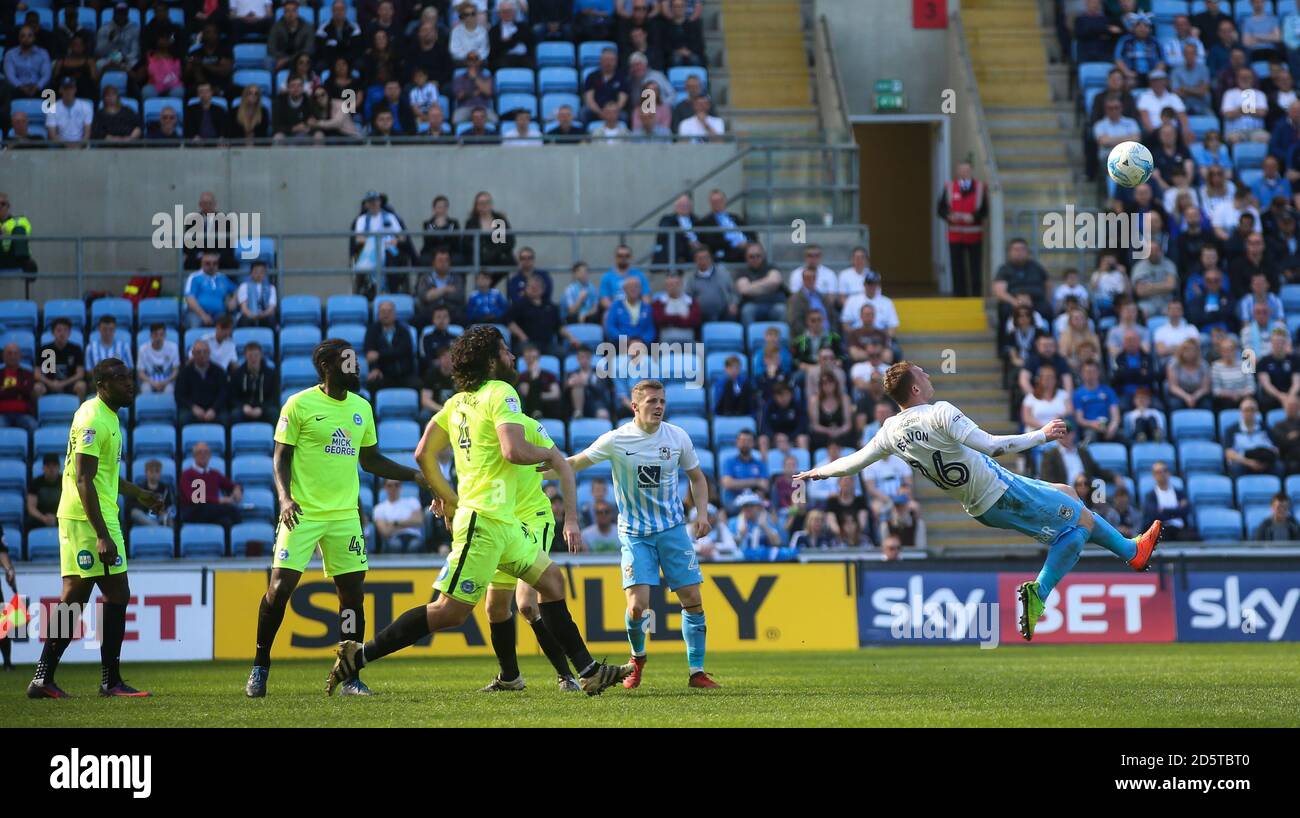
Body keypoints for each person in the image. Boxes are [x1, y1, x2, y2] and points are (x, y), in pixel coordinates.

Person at [329, 327, 631, 696]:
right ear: (491, 361)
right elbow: (513, 450)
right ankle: (359, 657)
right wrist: (550, 456)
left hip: (505, 525)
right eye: (506, 351)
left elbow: (423, 452)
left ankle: (587, 671)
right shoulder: (502, 392)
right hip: (484, 524)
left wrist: (446, 495)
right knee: (448, 613)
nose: (513, 357)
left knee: (552, 582)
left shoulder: (456, 403)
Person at [795, 361, 1162, 641]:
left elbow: (853, 462)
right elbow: (993, 446)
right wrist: (1042, 434)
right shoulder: (941, 412)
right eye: (923, 373)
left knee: (1067, 494)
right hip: (1001, 492)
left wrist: (818, 472)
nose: (928, 375)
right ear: (916, 388)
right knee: (1077, 525)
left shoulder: (891, 430)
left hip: (982, 501)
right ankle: (1046, 590)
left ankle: (1131, 551)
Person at [247, 339, 431, 698]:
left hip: (345, 516)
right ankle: (260, 665)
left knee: (352, 596)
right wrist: (284, 498)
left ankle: (350, 677)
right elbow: (281, 457)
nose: (356, 367)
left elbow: (370, 459)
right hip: (302, 512)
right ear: (328, 366)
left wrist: (413, 476)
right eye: (349, 362)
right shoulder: (298, 404)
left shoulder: (362, 407)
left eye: (356, 361)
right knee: (279, 589)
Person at [553, 378, 718, 688]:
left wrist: (703, 514)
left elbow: (697, 477)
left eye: (662, 402)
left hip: (672, 530)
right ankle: (637, 659)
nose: (658, 407)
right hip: (635, 534)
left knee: (692, 598)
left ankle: (697, 672)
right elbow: (574, 463)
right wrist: (529, 469)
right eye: (652, 401)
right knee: (637, 605)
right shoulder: (617, 440)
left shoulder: (677, 437)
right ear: (635, 406)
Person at [27, 358, 165, 699]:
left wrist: (140, 494)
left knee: (83, 596)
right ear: (102, 384)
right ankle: (106, 681)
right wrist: (102, 534)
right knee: (102, 594)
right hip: (88, 520)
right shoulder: (92, 417)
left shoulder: (109, 417)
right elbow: (83, 478)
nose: (130, 383)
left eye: (131, 377)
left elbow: (104, 476)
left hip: (96, 516)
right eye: (122, 379)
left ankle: (49, 679)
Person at [936, 160, 988, 296]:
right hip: (955, 235)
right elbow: (940, 209)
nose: (964, 172)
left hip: (974, 235)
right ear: (958, 171)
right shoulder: (949, 187)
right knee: (957, 268)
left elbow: (985, 210)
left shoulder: (981, 187)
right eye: (962, 170)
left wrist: (974, 217)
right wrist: (948, 216)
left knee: (975, 268)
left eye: (967, 170)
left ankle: (976, 297)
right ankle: (960, 296)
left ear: (971, 171)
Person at [178, 441, 243, 529]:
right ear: (194, 456)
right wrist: (218, 500)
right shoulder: (187, 475)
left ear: (210, 455)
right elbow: (194, 498)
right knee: (229, 510)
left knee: (226, 522)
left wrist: (237, 489)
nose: (203, 455)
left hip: (212, 511)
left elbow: (230, 485)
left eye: (206, 452)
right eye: (199, 452)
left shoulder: (214, 474)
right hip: (194, 511)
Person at [177, 340, 230, 426]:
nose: (202, 355)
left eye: (205, 351)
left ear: (209, 353)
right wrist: (193, 407)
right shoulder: (184, 373)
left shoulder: (219, 371)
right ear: (193, 354)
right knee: (182, 418)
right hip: (193, 409)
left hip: (214, 409)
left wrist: (214, 409)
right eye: (199, 352)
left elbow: (224, 393)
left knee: (226, 418)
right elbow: (179, 395)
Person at [1141, 460, 1194, 541]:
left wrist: (1164, 510)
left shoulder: (1180, 493)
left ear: (1169, 473)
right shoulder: (1150, 496)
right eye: (1158, 472)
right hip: (1161, 531)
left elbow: (1186, 510)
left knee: (1193, 537)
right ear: (1154, 476)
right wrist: (1177, 511)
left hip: (1180, 530)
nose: (1162, 474)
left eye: (1164, 471)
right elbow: (1154, 516)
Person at [34, 317, 86, 399]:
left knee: (81, 386)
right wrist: (50, 383)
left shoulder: (76, 349)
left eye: (65, 330)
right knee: (37, 387)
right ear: (53, 332)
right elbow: (37, 374)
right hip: (49, 384)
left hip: (69, 384)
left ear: (69, 333)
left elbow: (80, 374)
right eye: (59, 330)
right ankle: (37, 411)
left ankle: (82, 411)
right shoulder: (45, 349)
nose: (62, 333)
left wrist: (63, 383)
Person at [231, 342, 279, 423]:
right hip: (244, 408)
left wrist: (261, 408)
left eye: (256, 355)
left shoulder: (270, 374)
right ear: (245, 356)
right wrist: (243, 407)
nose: (253, 359)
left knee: (274, 413)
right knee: (234, 415)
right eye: (250, 356)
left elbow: (274, 397)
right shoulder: (237, 374)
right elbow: (233, 397)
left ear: (261, 356)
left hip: (263, 408)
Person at [372, 479, 425, 552]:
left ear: (400, 487)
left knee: (414, 545)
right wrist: (409, 522)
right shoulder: (379, 508)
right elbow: (385, 532)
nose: (393, 488)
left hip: (413, 537)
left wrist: (394, 523)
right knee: (396, 545)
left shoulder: (412, 501)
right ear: (385, 487)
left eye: (396, 485)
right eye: (390, 485)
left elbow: (419, 521)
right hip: (394, 538)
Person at [0, 344, 36, 434]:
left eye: (15, 353)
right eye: (9, 353)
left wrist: (6, 390)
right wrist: (18, 390)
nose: (13, 356)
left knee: (33, 425)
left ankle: (30, 449)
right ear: (3, 357)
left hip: (23, 414)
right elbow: (21, 390)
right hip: (2, 414)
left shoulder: (28, 374)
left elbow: (27, 391)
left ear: (20, 356)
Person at [128, 459, 175, 528]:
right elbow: (132, 506)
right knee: (134, 513)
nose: (154, 474)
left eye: (157, 471)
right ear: (146, 472)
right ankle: (156, 527)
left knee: (169, 516)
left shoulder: (166, 488)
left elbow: (170, 506)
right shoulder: (139, 488)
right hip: (144, 517)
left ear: (160, 473)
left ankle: (170, 536)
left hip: (160, 517)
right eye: (151, 471)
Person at [26, 454, 62, 532]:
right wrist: (43, 518)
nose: (51, 469)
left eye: (54, 466)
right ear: (43, 468)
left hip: (61, 517)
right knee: (28, 523)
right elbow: (31, 508)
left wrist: (56, 518)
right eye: (48, 466)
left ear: (59, 467)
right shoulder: (36, 483)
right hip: (40, 518)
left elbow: (70, 504)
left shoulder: (65, 482)